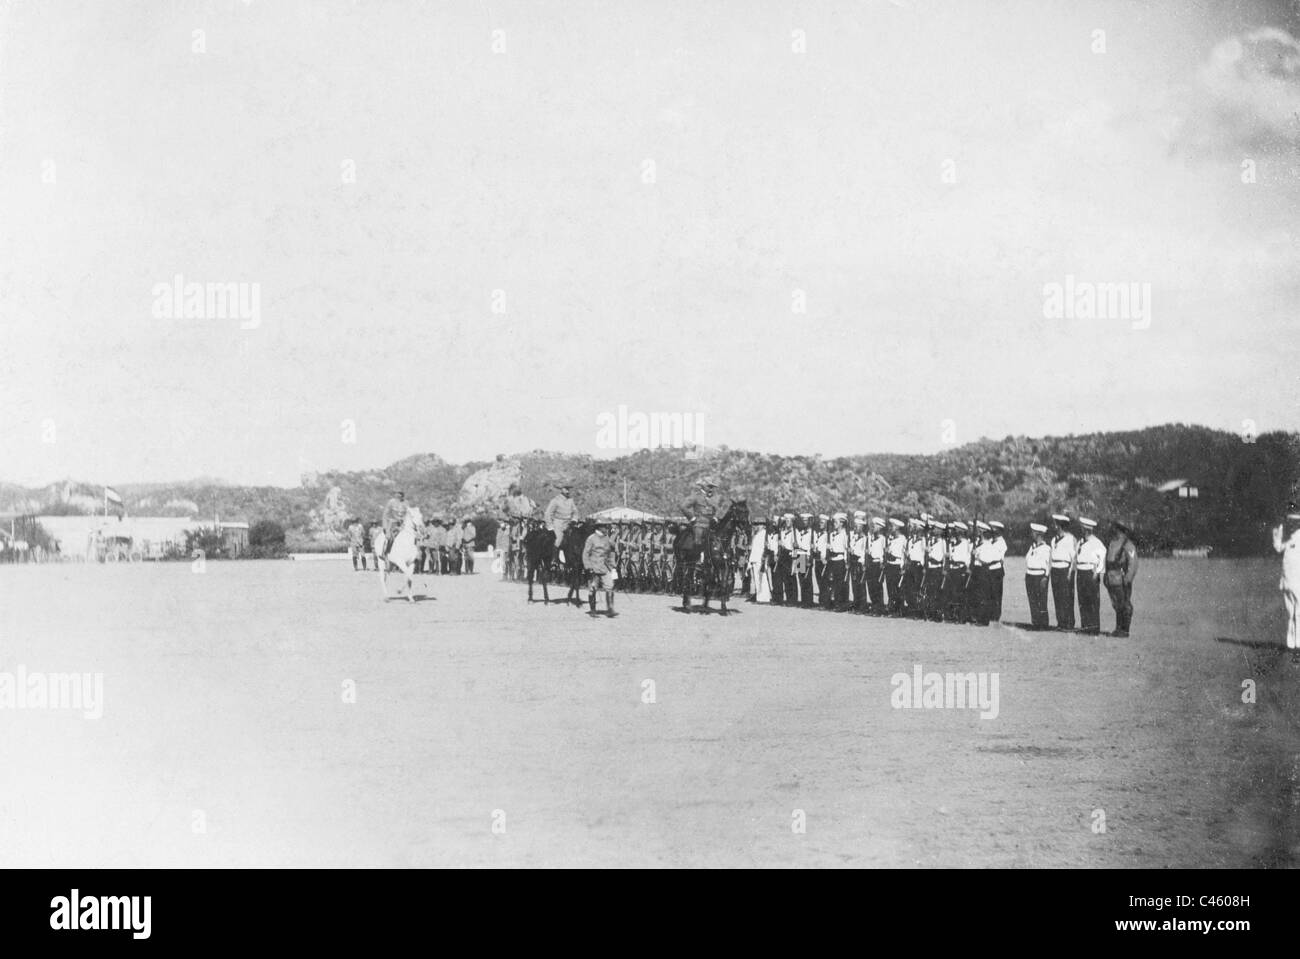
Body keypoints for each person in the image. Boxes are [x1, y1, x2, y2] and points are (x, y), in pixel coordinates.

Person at [1105, 518, 1140, 638]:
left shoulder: (1128, 544)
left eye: (1117, 528)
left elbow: (1133, 563)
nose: (1114, 530)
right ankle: (1118, 628)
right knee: (1116, 604)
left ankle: (1124, 630)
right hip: (1111, 578)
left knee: (1124, 604)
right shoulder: (1112, 543)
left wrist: (1128, 579)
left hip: (1121, 579)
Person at [1074, 517, 1106, 635]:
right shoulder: (1080, 542)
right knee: (1082, 600)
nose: (1081, 530)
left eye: (1083, 528)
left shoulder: (1096, 542)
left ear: (1087, 529)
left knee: (1092, 600)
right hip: (1081, 571)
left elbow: (1102, 558)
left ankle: (1093, 627)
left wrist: (1097, 572)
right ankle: (1085, 626)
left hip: (1090, 572)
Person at [1049, 513, 1077, 629]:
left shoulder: (1070, 539)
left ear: (1060, 525)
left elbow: (1074, 558)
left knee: (1067, 597)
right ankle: (1061, 622)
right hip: (1055, 569)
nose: (1054, 526)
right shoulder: (1054, 539)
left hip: (1065, 569)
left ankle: (1069, 623)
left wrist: (1070, 572)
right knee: (1057, 597)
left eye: (1056, 524)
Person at [583, 521, 617, 616]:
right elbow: (585, 554)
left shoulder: (607, 539)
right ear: (599, 527)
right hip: (593, 568)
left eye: (607, 527)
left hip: (605, 568)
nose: (607, 528)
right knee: (593, 589)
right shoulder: (591, 539)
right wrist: (588, 566)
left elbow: (610, 553)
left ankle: (610, 609)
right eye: (605, 527)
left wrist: (612, 565)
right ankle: (593, 610)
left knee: (610, 586)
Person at [1025, 523, 1052, 629]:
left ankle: (1043, 623)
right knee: (1032, 600)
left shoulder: (1046, 548)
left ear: (1038, 534)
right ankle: (1035, 622)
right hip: (1030, 574)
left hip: (1039, 575)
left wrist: (1046, 576)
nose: (1032, 534)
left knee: (1041, 600)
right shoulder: (1032, 547)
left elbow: (1048, 564)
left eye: (1033, 532)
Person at [544, 482, 579, 553]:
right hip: (558, 523)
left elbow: (575, 512)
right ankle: (554, 559)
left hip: (568, 523)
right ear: (561, 489)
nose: (568, 491)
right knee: (558, 540)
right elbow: (548, 513)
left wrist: (574, 520)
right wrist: (550, 526)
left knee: (576, 540)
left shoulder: (570, 500)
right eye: (566, 489)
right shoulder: (555, 500)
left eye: (569, 489)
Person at [884, 518, 907, 615]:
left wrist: (903, 567)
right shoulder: (891, 539)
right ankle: (892, 608)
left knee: (897, 589)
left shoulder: (903, 539)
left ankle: (899, 609)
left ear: (897, 528)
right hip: (890, 564)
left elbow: (904, 555)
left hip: (897, 565)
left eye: (892, 526)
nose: (891, 528)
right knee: (890, 588)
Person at [986, 521, 1007, 622]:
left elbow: (998, 557)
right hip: (989, 568)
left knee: (996, 593)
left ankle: (995, 615)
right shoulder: (991, 541)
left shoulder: (1001, 543)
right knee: (989, 592)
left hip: (996, 568)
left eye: (994, 530)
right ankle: (990, 613)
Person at [381, 491, 407, 558]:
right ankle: (385, 553)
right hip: (392, 523)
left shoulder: (405, 503)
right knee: (390, 539)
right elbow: (385, 514)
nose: (398, 496)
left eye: (400, 495)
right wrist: (385, 526)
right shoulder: (391, 502)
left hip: (402, 524)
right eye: (397, 495)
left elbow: (408, 514)